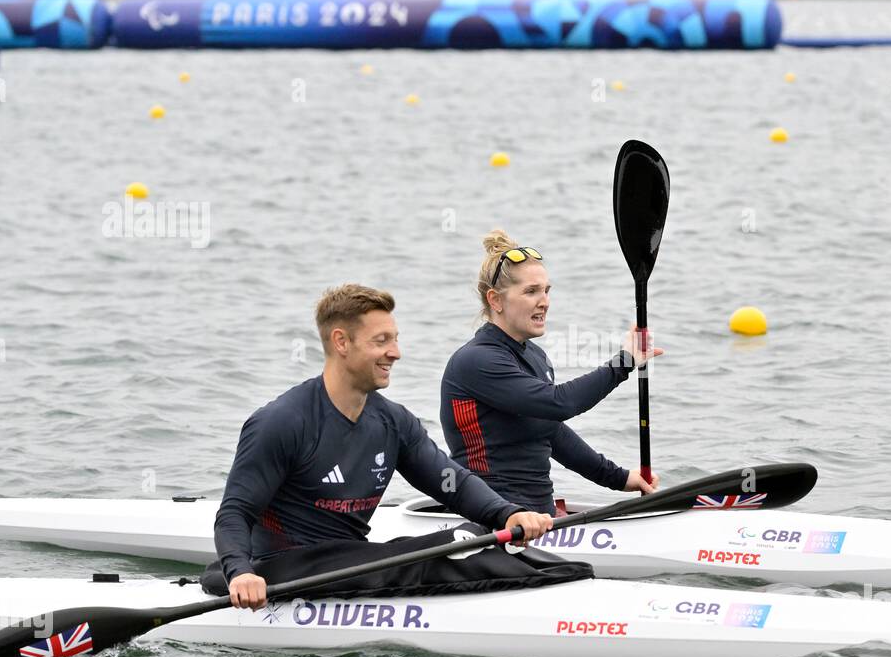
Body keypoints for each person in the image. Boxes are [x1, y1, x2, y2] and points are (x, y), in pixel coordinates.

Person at [203, 283, 590, 611]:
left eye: (396, 339)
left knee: (474, 533)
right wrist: (240, 572)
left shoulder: (392, 422)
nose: (396, 352)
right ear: (341, 342)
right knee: (456, 544)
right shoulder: (283, 421)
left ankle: (568, 580)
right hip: (281, 569)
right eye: (381, 341)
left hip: (349, 562)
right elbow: (235, 513)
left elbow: (450, 481)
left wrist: (507, 514)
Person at [440, 229, 664, 516]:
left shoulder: (535, 357)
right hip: (488, 516)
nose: (544, 301)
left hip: (538, 516)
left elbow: (552, 431)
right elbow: (560, 403)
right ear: (495, 300)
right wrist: (624, 362)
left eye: (547, 290)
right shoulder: (476, 361)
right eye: (531, 291)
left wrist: (619, 478)